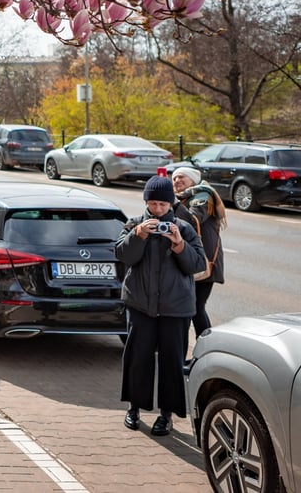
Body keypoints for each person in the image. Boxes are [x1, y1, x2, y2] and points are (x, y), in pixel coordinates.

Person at [116, 175, 206, 436]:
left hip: (175, 308)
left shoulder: (185, 228)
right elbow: (123, 255)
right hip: (140, 304)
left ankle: (166, 415)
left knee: (172, 362)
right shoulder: (133, 224)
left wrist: (178, 244)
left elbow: (198, 265)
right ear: (146, 201)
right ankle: (134, 408)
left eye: (163, 206)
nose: (157, 210)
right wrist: (139, 235)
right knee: (137, 358)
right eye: (153, 204)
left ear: (171, 205)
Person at [171, 166, 227, 340]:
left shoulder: (203, 196)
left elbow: (192, 220)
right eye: (174, 179)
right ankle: (188, 354)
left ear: (192, 179)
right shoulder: (185, 198)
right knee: (190, 308)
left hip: (205, 262)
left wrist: (173, 204)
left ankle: (205, 349)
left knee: (195, 307)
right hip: (189, 260)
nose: (177, 181)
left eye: (182, 177)